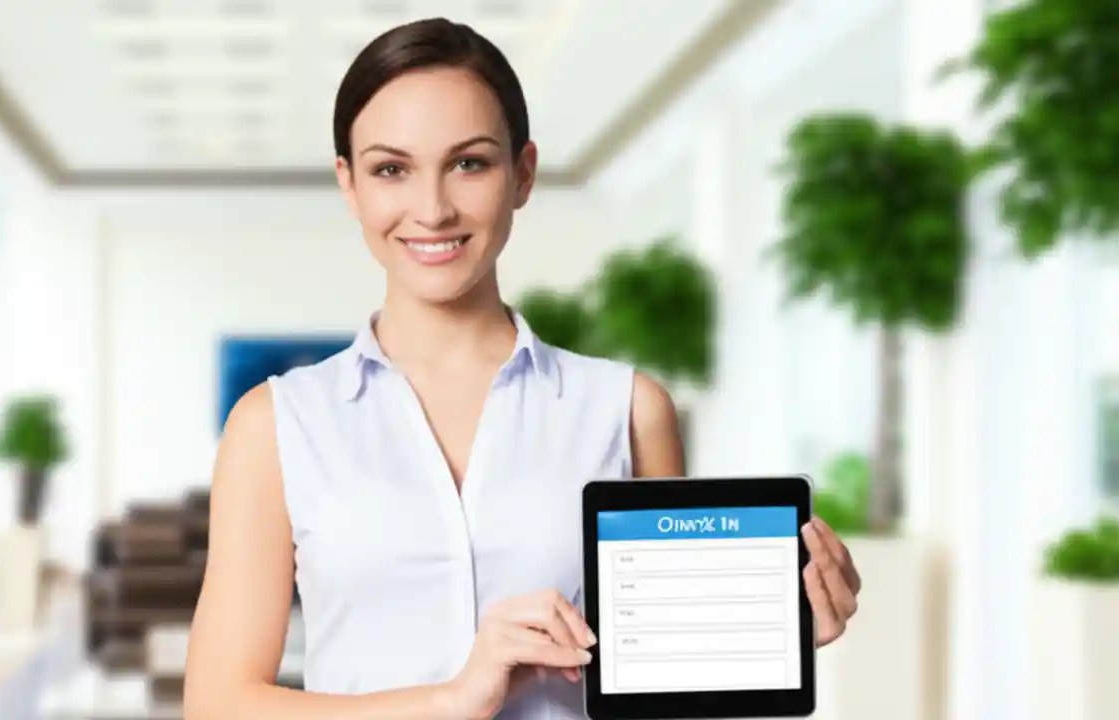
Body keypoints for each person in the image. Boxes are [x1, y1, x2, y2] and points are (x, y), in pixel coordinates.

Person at [183, 17, 862, 720]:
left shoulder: (626, 410)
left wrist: (766, 638)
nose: (433, 208)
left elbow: (664, 689)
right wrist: (450, 701)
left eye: (469, 162)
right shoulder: (276, 425)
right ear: (349, 185)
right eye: (392, 169)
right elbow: (218, 705)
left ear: (523, 173)